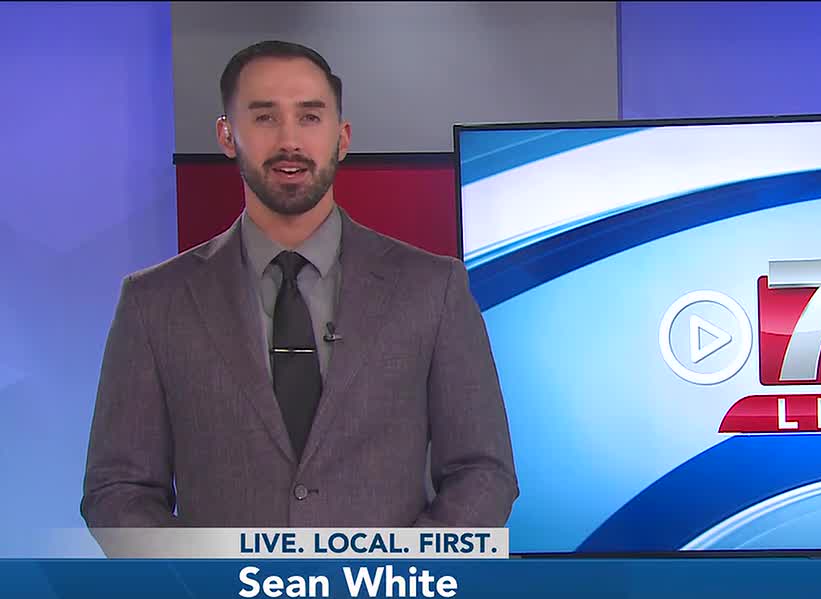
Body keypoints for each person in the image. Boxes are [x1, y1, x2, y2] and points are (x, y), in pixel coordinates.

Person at [81, 40, 518, 529]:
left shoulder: (433, 289)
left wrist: (400, 571)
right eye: (265, 117)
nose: (289, 141)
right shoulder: (154, 303)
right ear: (227, 135)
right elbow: (117, 492)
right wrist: (200, 575)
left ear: (342, 137)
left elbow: (484, 473)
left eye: (310, 117)